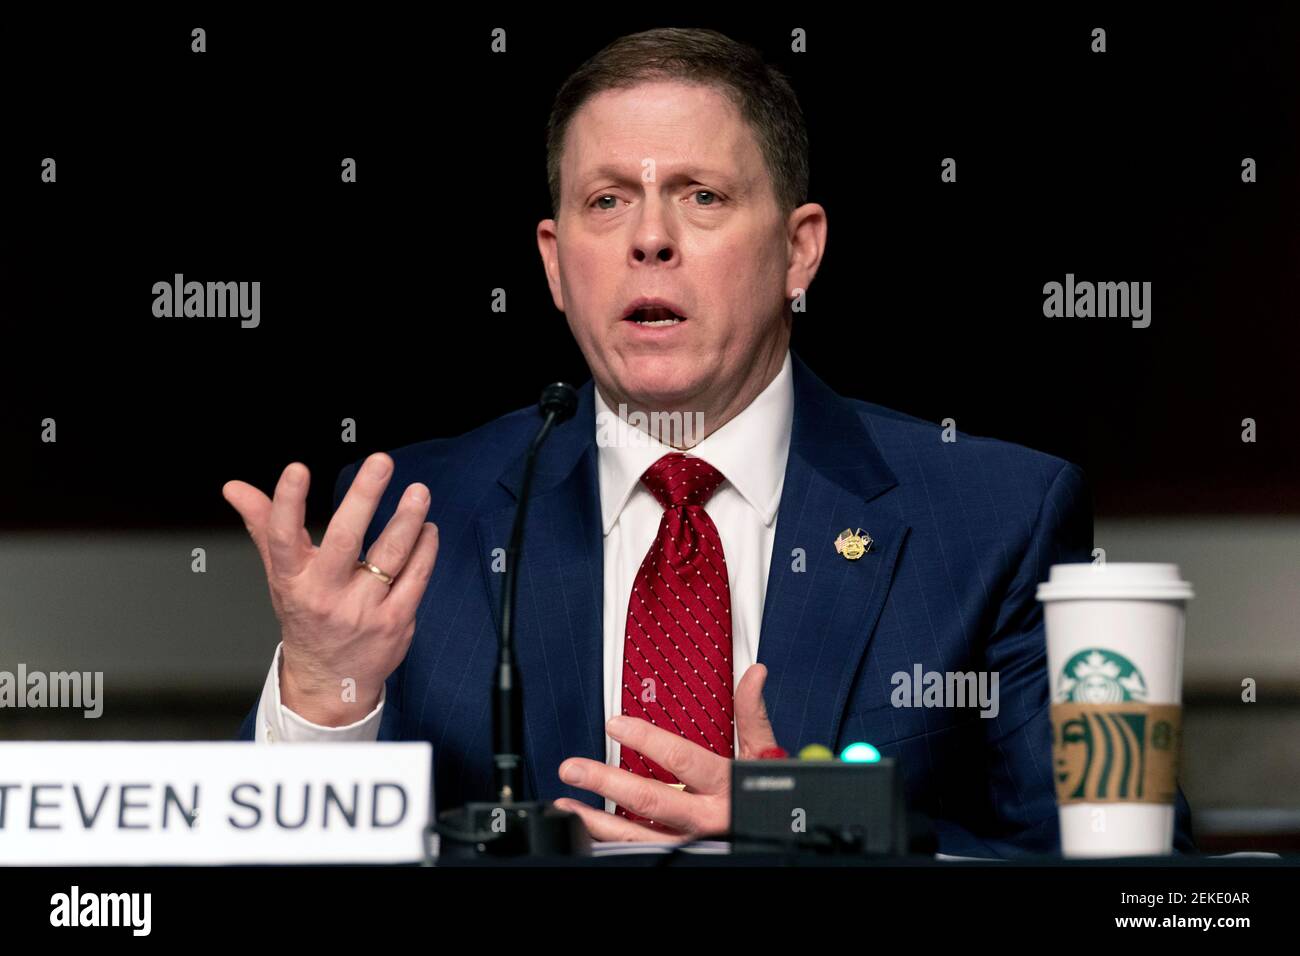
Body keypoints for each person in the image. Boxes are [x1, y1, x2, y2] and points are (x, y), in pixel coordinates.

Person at [226, 27, 1194, 856]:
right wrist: (322, 693)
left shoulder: (991, 521)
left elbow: (1136, 892)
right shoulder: (415, 524)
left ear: (799, 250)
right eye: (606, 201)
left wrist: (818, 827)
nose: (649, 238)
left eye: (700, 195)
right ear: (556, 264)